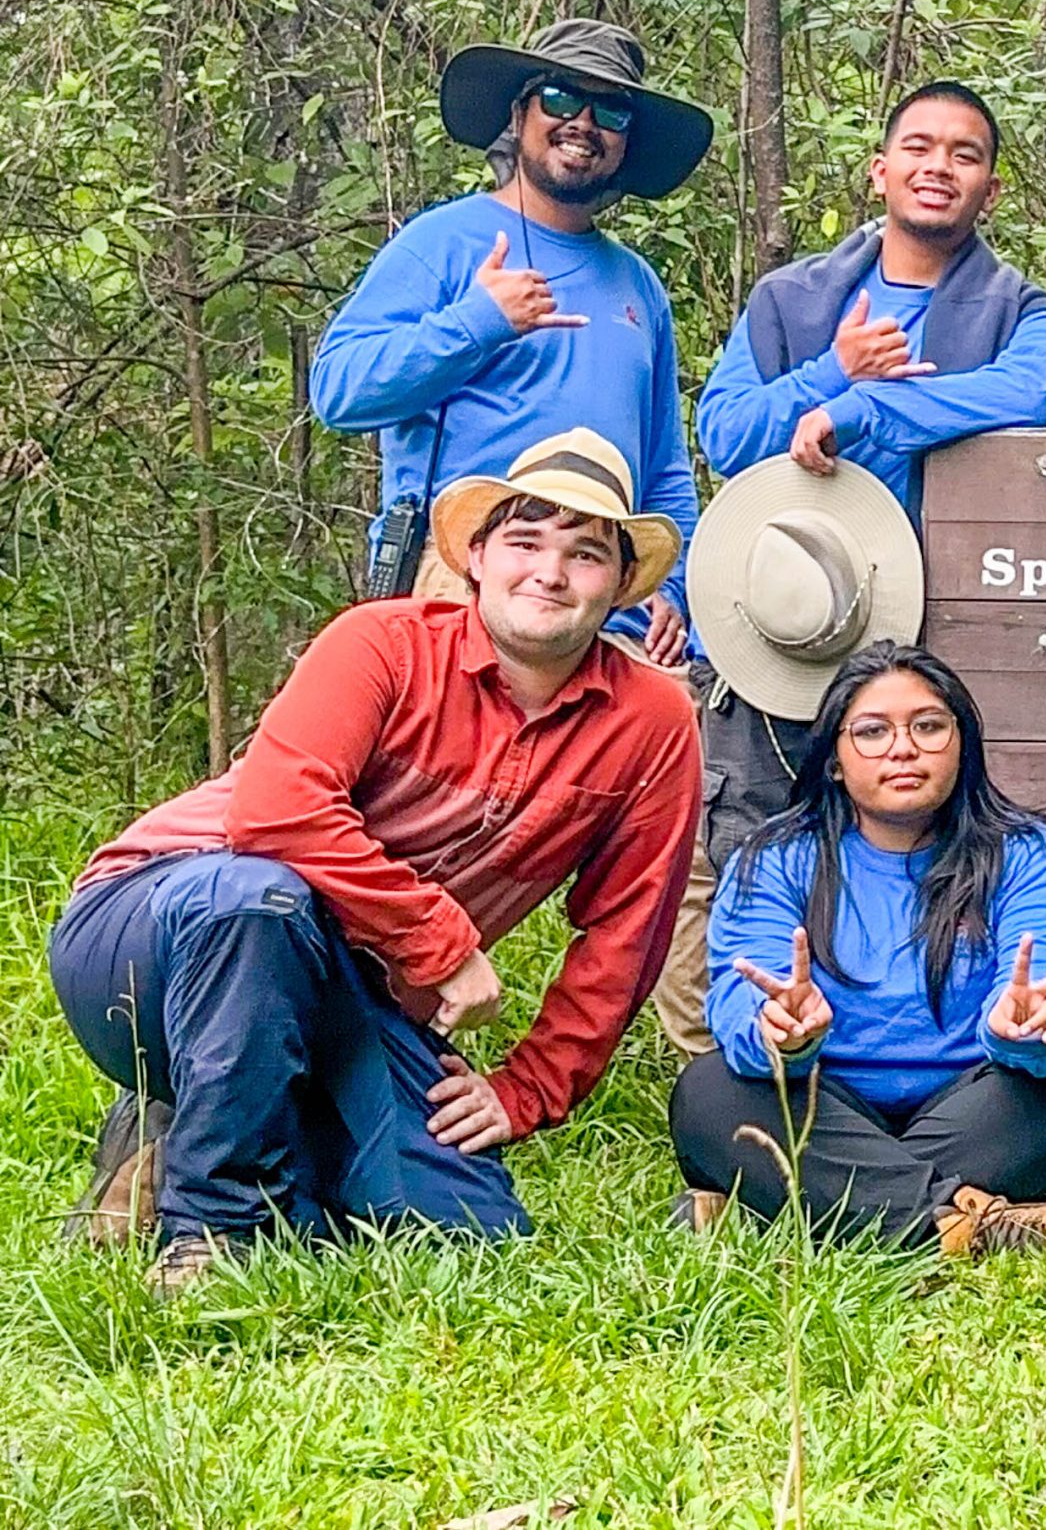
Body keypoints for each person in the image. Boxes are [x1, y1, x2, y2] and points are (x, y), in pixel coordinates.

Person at [51, 431, 701, 1297]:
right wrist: (438, 939)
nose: (550, 572)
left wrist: (530, 1087)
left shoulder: (651, 722)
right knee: (262, 901)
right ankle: (213, 1231)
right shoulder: (380, 643)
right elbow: (276, 813)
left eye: (585, 554)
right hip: (149, 936)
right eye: (525, 542)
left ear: (620, 584)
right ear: (475, 558)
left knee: (463, 1234)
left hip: (349, 985)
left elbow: (631, 927)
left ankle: (184, 1135)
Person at [656, 81, 1046, 1057]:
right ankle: (735, 1069)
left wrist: (876, 413)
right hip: (784, 619)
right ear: (879, 170)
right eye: (917, 146)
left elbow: (1036, 388)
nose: (938, 166)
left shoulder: (1017, 308)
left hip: (930, 631)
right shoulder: (794, 298)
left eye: (963, 154)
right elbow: (724, 430)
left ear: (991, 188)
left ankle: (917, 1049)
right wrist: (832, 372)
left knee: (912, 840)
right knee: (752, 836)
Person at [667, 644, 1046, 1257]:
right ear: (833, 759)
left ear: (962, 743)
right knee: (710, 1093)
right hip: (819, 1102)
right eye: (873, 732)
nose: (903, 748)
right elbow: (743, 993)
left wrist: (1028, 1025)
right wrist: (777, 1031)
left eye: (928, 727)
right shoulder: (773, 857)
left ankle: (775, 1213)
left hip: (977, 1103)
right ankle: (968, 1228)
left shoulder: (1026, 853)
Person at [311, 19, 712, 662]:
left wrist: (674, 586)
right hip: (456, 596)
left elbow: (663, 466)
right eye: (558, 98)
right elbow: (340, 390)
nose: (582, 122)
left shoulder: (640, 285)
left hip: (601, 601)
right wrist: (481, 320)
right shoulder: (443, 242)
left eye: (608, 109)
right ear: (520, 113)